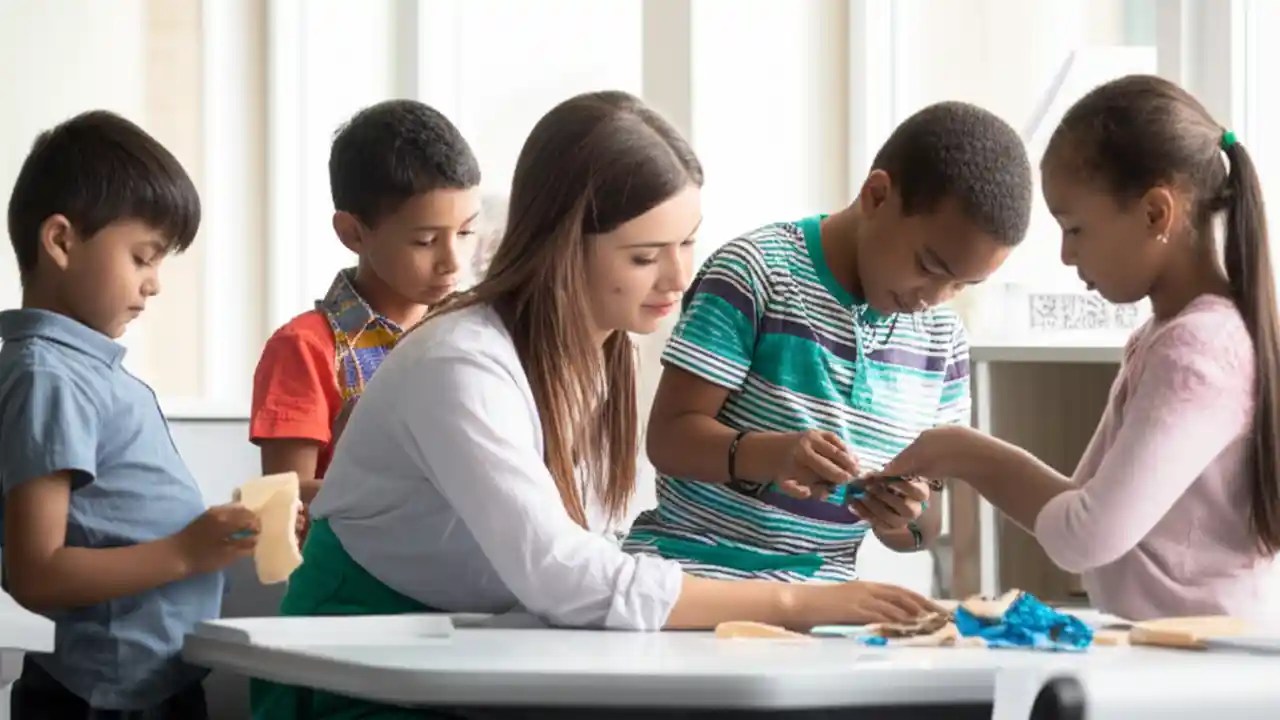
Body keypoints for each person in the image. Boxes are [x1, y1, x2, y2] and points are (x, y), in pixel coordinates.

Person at [251, 90, 937, 719]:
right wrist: (795, 603)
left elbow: (587, 555)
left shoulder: (595, 352)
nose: (680, 277)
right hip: (354, 669)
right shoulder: (460, 364)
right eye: (644, 257)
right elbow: (564, 574)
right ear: (561, 246)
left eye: (688, 242)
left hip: (474, 653)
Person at [879, 75, 1280, 622]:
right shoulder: (1168, 336)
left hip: (1204, 670)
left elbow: (1083, 536)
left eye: (1076, 228)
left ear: (1155, 214)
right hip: (1173, 656)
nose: (1067, 256)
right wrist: (950, 451)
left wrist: (961, 451)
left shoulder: (1199, 350)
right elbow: (1078, 503)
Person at [625, 101, 1033, 582]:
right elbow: (669, 438)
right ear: (878, 196)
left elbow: (927, 528)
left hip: (822, 607)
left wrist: (903, 516)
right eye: (929, 267)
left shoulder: (943, 342)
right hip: (691, 578)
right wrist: (771, 455)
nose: (935, 298)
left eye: (962, 285)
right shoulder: (756, 273)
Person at [1, 110, 259, 718]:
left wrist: (228, 530)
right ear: (61, 241)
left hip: (148, 687)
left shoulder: (85, 370)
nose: (154, 284)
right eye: (143, 257)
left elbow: (125, 518)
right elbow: (34, 572)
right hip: (108, 699)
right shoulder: (49, 376)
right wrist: (188, 553)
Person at [250, 100, 482, 509]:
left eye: (465, 233)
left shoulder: (473, 332)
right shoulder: (304, 348)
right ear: (353, 233)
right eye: (426, 241)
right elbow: (284, 502)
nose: (452, 262)